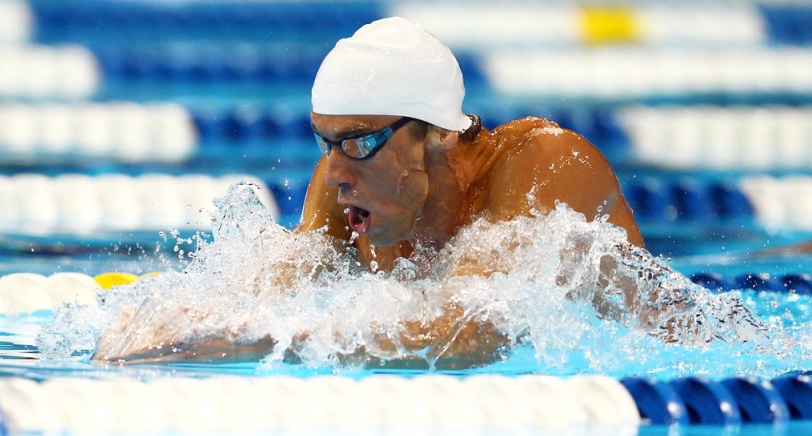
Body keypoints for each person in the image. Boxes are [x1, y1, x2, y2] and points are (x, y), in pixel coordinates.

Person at [93, 17, 650, 367]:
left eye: (357, 142)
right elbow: (279, 280)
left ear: (436, 134)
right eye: (324, 143)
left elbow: (474, 329)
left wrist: (259, 340)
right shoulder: (350, 186)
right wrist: (185, 322)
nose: (334, 172)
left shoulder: (541, 163)